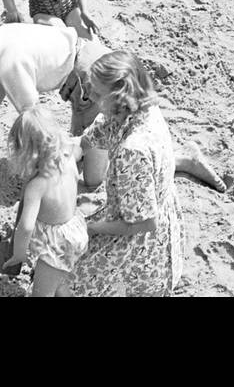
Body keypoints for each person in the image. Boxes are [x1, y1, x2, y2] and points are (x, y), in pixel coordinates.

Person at [70, 51, 186, 297]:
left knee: (67, 283)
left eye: (98, 94)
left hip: (141, 247)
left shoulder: (132, 152)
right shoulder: (144, 110)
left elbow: (143, 223)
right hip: (153, 218)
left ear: (119, 97)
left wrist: (93, 227)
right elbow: (91, 137)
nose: (89, 96)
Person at [3, 110, 87, 297]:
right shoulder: (69, 159)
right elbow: (81, 149)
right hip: (75, 231)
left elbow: (25, 227)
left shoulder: (37, 185)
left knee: (42, 293)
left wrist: (19, 254)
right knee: (60, 282)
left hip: (56, 245)